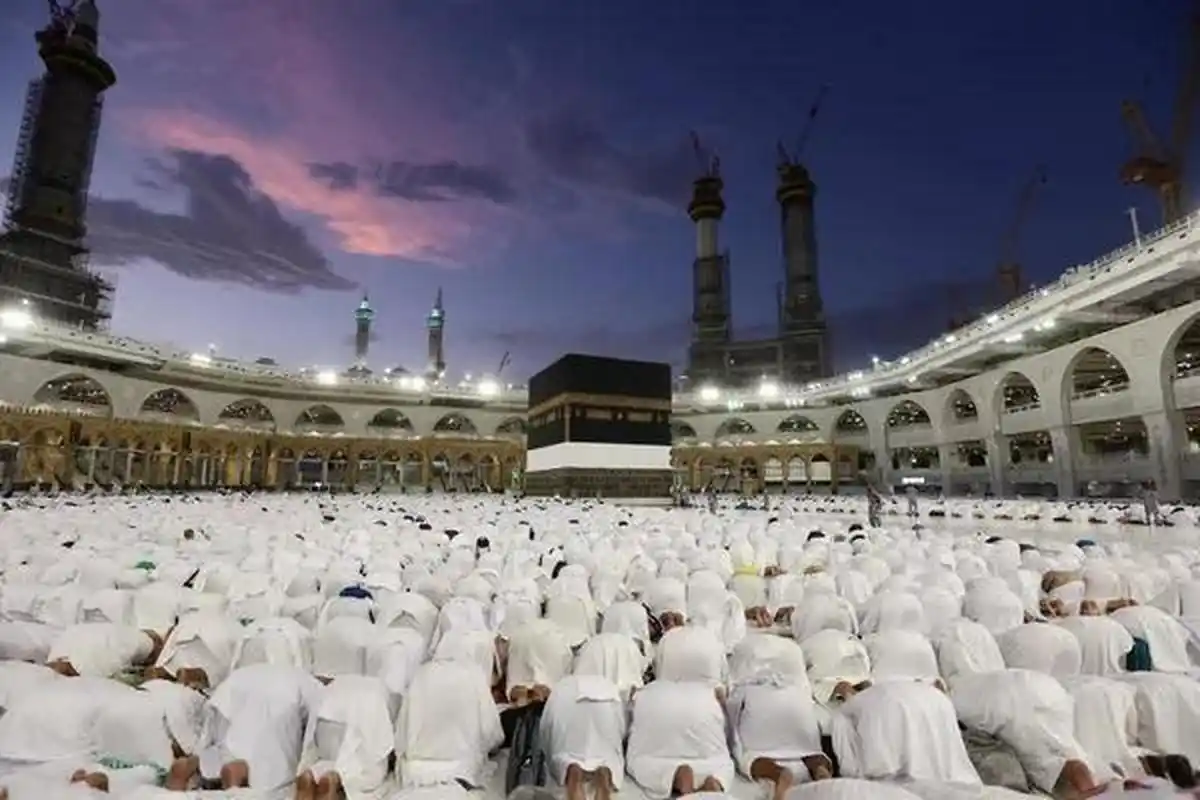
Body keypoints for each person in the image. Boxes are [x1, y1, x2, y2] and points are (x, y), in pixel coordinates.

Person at [626, 679, 735, 798]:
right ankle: (715, 781)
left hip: (657, 700)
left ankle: (676, 778)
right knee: (719, 761)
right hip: (703, 701)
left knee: (641, 759)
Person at [538, 673, 626, 800]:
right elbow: (621, 726)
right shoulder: (608, 684)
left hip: (568, 710)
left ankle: (573, 772)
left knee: (568, 758)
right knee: (606, 757)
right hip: (605, 710)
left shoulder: (563, 684)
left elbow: (547, 725)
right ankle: (604, 776)